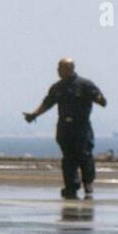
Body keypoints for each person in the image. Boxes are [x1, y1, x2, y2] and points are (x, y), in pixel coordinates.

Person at [24, 58, 107, 199]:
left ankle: (88, 183)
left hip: (81, 127)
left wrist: (98, 98)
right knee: (68, 158)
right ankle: (71, 187)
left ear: (70, 68)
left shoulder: (85, 84)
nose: (58, 71)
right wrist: (34, 114)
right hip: (64, 127)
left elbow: (101, 101)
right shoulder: (57, 87)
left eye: (61, 68)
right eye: (58, 68)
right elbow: (47, 103)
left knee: (84, 155)